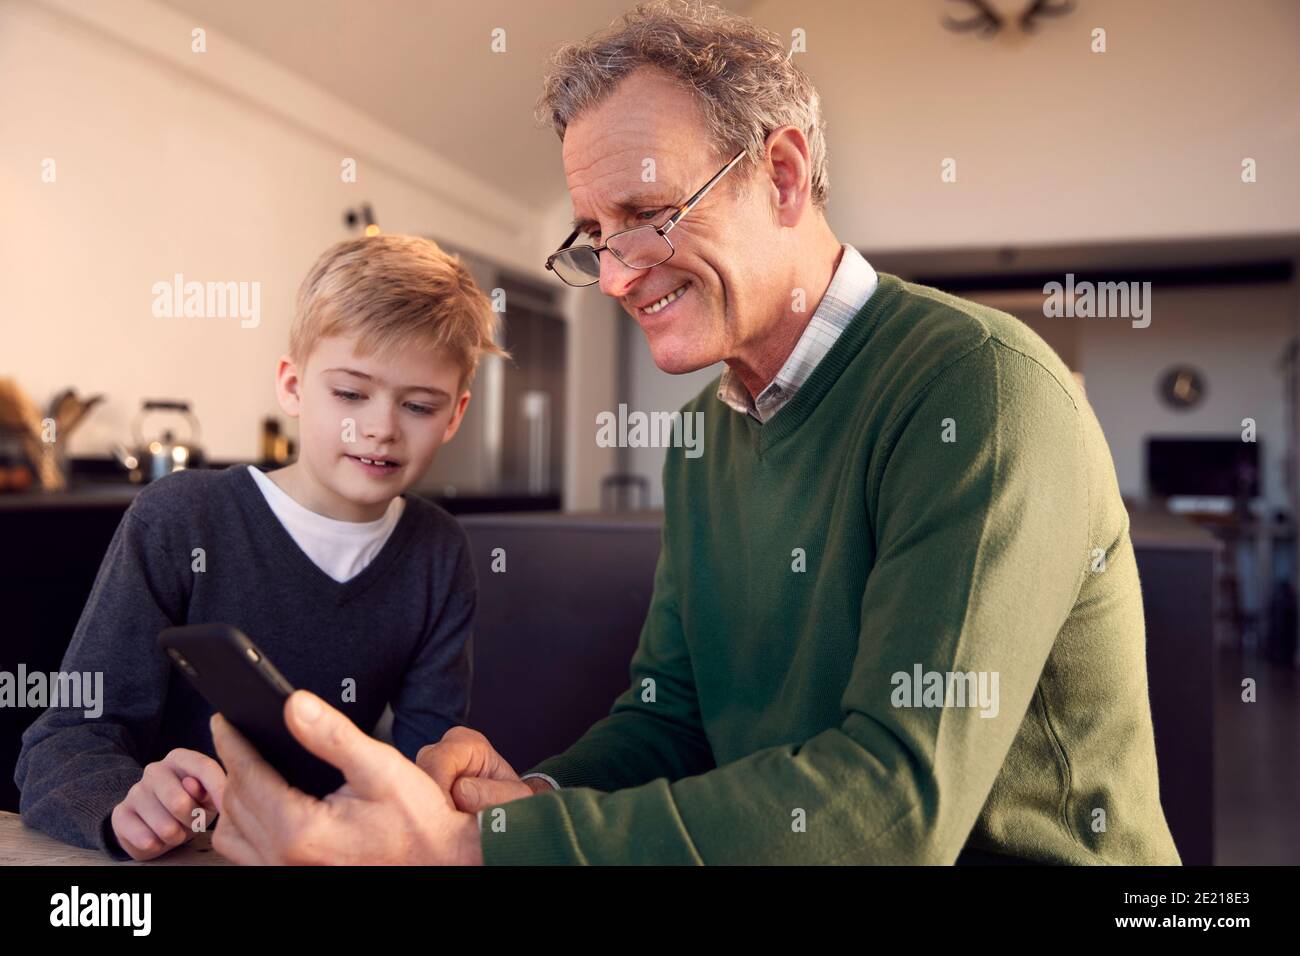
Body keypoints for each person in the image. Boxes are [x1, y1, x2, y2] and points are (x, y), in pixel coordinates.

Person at [210, 0, 1181, 866]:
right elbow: (671, 714)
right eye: (594, 236)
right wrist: (527, 801)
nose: (621, 275)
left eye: (646, 214)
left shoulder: (978, 391)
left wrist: (480, 848)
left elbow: (897, 804)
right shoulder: (702, 434)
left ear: (785, 175)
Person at [15, 234, 504, 861]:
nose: (379, 427)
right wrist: (125, 805)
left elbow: (423, 769)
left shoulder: (439, 553)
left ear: (454, 416)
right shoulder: (180, 519)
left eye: (417, 405)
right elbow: (63, 744)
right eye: (351, 394)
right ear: (293, 386)